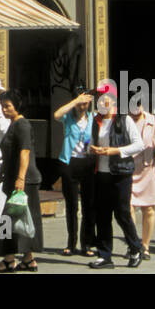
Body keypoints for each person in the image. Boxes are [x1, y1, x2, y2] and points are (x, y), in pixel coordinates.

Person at [88, 81, 145, 269]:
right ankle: (105, 255)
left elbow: (139, 145)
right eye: (98, 98)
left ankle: (136, 248)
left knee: (122, 213)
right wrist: (93, 150)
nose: (99, 101)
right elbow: (92, 143)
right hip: (101, 173)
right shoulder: (96, 120)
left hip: (120, 173)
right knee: (102, 215)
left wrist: (114, 151)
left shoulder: (123, 119)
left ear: (112, 100)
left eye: (103, 98)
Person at [0, 90, 43, 271]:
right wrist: (3, 173)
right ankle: (27, 259)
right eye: (3, 106)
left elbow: (25, 152)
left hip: (24, 181)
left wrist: (20, 178)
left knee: (14, 219)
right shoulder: (13, 124)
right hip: (13, 179)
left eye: (8, 106)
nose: (4, 110)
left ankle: (9, 258)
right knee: (17, 219)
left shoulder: (22, 125)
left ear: (17, 106)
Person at [53, 87, 95, 257]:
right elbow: (56, 115)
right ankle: (71, 244)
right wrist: (74, 101)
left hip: (88, 162)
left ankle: (87, 244)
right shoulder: (68, 117)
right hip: (69, 162)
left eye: (85, 104)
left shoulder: (93, 118)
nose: (82, 107)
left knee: (88, 206)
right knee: (71, 206)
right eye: (80, 103)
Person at [129, 98, 155, 259]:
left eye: (139, 105)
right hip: (129, 170)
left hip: (148, 169)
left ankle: (145, 246)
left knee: (149, 209)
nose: (136, 109)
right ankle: (133, 244)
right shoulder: (123, 120)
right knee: (129, 208)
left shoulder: (152, 119)